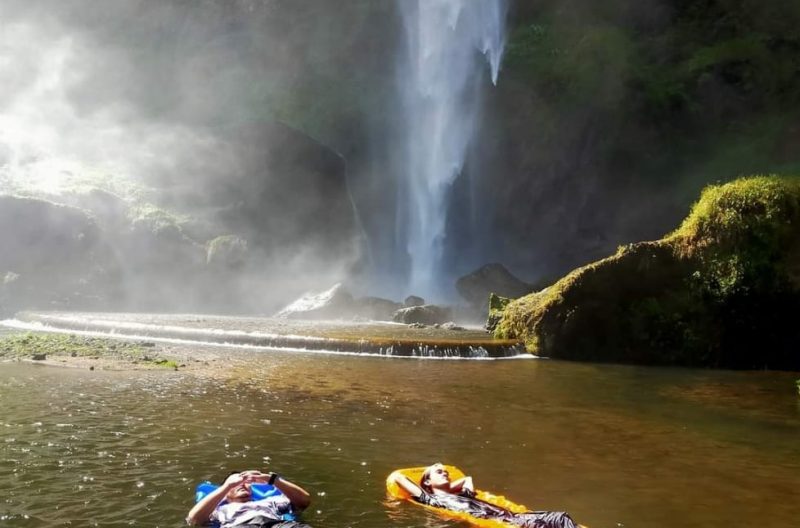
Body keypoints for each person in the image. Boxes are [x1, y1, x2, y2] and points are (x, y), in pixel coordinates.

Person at [388, 463, 584, 528]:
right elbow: (398, 477)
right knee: (557, 519)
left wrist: (448, 483)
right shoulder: (431, 499)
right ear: (428, 483)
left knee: (561, 517)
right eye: (439, 472)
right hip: (502, 521)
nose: (445, 472)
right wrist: (432, 484)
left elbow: (467, 479)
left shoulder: (465, 493)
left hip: (514, 516)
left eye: (445, 471)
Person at [186, 470, 312, 527]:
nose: (241, 484)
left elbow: (304, 501)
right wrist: (227, 485)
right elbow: (193, 520)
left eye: (245, 482)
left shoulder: (271, 501)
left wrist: (271, 479)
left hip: (277, 524)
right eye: (236, 482)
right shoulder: (219, 509)